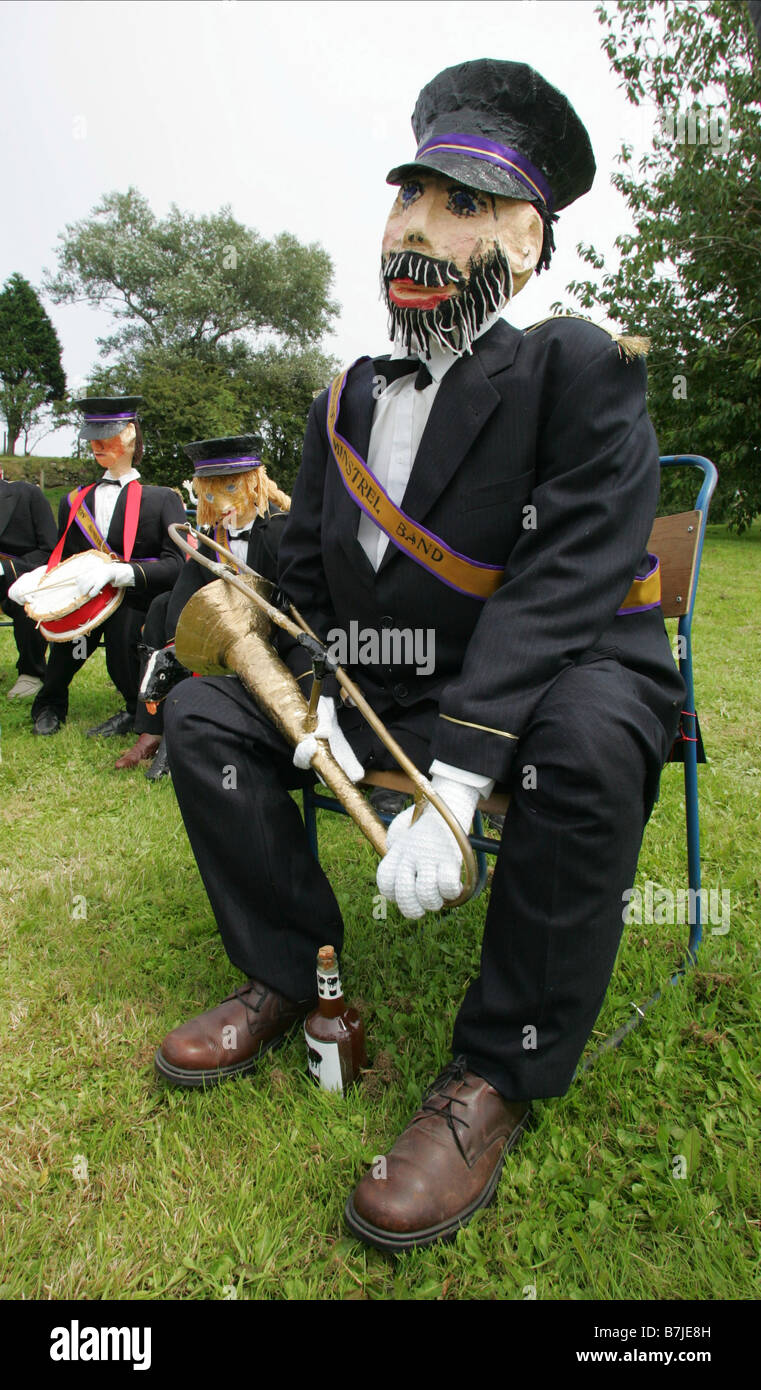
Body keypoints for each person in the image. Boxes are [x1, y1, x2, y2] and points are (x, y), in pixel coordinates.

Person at [160, 59, 685, 1252]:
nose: (413, 226)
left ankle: (495, 1071)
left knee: (593, 743)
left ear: (527, 241)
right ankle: (291, 974)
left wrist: (454, 769)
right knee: (207, 721)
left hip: (552, 664)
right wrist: (307, 679)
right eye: (405, 197)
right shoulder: (342, 393)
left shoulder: (577, 366)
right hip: (384, 672)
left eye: (457, 204)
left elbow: (568, 576)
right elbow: (303, 573)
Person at [8, 397, 186, 737]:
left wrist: (121, 573)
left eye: (108, 436)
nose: (97, 445)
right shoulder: (74, 501)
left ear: (131, 436)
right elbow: (66, 558)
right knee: (63, 656)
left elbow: (177, 564)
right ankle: (49, 704)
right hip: (87, 596)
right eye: (93, 436)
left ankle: (132, 711)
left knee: (122, 645)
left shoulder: (163, 499)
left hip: (136, 599)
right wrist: (37, 579)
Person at [115, 434, 289, 777]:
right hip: (220, 617)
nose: (220, 503)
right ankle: (153, 725)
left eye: (229, 490)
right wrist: (178, 642)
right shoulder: (213, 531)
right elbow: (190, 580)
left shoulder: (280, 529)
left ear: (253, 484)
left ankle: (179, 729)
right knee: (162, 606)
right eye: (209, 494)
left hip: (264, 627)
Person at [0, 478, 57, 698]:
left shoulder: (28, 494)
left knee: (27, 596)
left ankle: (31, 674)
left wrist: (5, 569)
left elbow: (49, 549)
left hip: (22, 575)